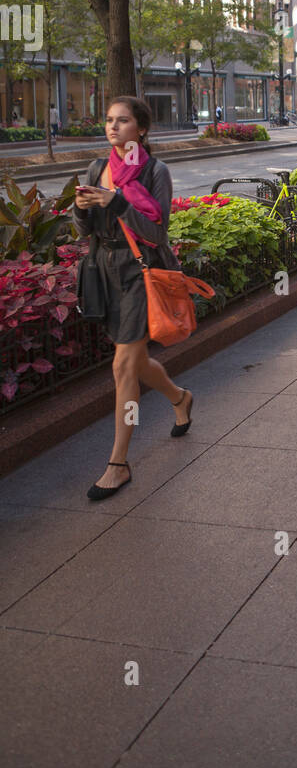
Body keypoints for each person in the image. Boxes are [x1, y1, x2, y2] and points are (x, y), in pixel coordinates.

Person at [72, 97, 193, 501]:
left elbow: (157, 234)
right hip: (105, 271)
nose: (113, 127)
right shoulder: (97, 168)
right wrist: (81, 208)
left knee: (123, 366)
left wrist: (117, 202)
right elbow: (84, 229)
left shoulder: (156, 171)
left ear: (141, 129)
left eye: (122, 121)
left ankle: (119, 463)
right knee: (136, 361)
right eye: (109, 120)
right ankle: (180, 397)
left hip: (141, 271)